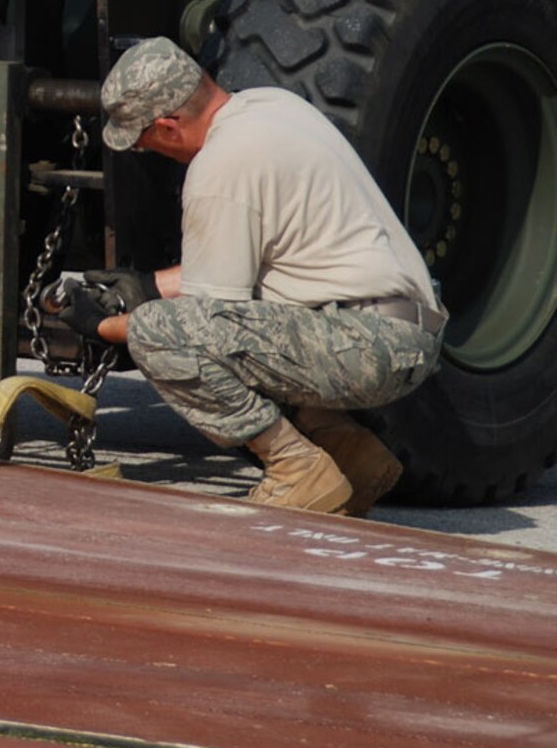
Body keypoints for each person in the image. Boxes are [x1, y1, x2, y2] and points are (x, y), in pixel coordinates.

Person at [55, 37, 446, 516]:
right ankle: (349, 455)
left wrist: (105, 327)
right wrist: (147, 286)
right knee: (234, 336)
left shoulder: (218, 167)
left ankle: (295, 468)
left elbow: (198, 326)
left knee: (161, 336)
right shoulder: (269, 107)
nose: (144, 151)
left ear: (168, 126)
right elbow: (260, 266)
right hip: (402, 329)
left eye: (142, 140)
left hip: (367, 345)